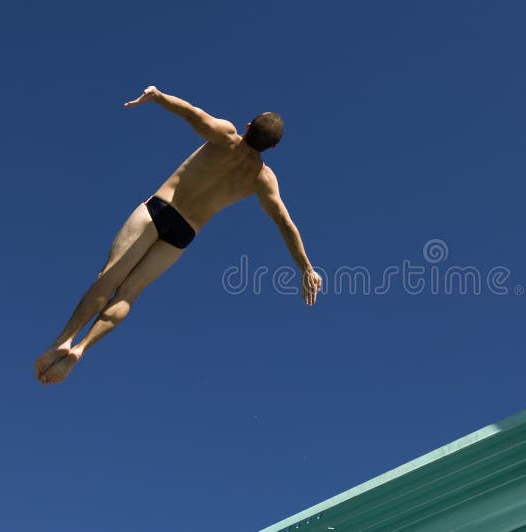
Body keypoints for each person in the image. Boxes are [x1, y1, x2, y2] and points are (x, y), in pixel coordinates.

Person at [35, 86, 322, 385]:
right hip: (184, 233)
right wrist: (306, 268)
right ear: (271, 148)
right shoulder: (263, 179)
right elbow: (284, 223)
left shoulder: (226, 135)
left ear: (248, 125)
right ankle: (81, 349)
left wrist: (157, 96)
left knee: (108, 278)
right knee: (128, 295)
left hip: (160, 209)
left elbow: (192, 114)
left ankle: (64, 340)